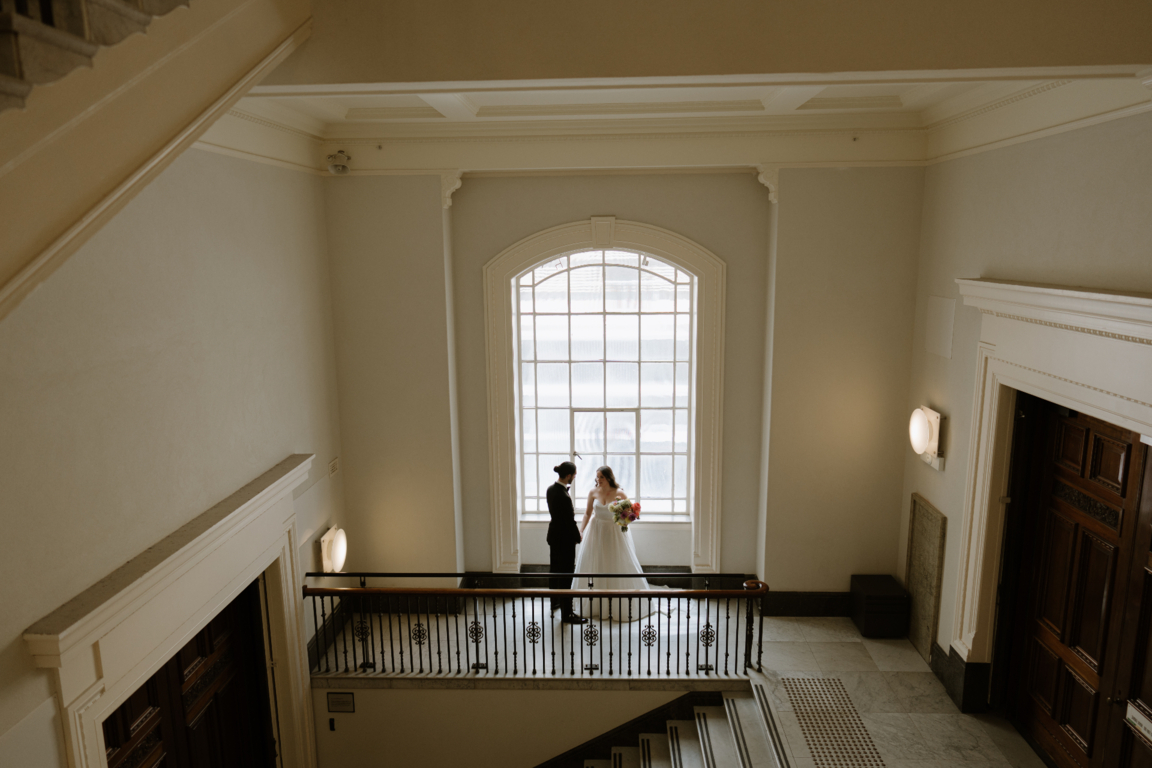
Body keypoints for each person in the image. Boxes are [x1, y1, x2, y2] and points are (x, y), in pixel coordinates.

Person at [572, 466, 656, 619]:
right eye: (597, 477)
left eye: (601, 477)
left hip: (614, 533)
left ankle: (619, 605)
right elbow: (587, 513)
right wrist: (581, 530)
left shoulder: (619, 493)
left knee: (616, 563)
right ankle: (596, 605)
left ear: (609, 478)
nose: (598, 480)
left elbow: (630, 514)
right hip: (596, 531)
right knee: (596, 564)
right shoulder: (593, 492)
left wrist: (626, 520)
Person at [546, 461, 587, 624]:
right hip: (564, 540)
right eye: (574, 476)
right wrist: (578, 536)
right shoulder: (563, 496)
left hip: (554, 536)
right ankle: (567, 613)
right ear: (569, 475)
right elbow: (569, 521)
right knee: (566, 575)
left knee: (554, 571)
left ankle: (554, 601)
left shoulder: (551, 489)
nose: (574, 478)